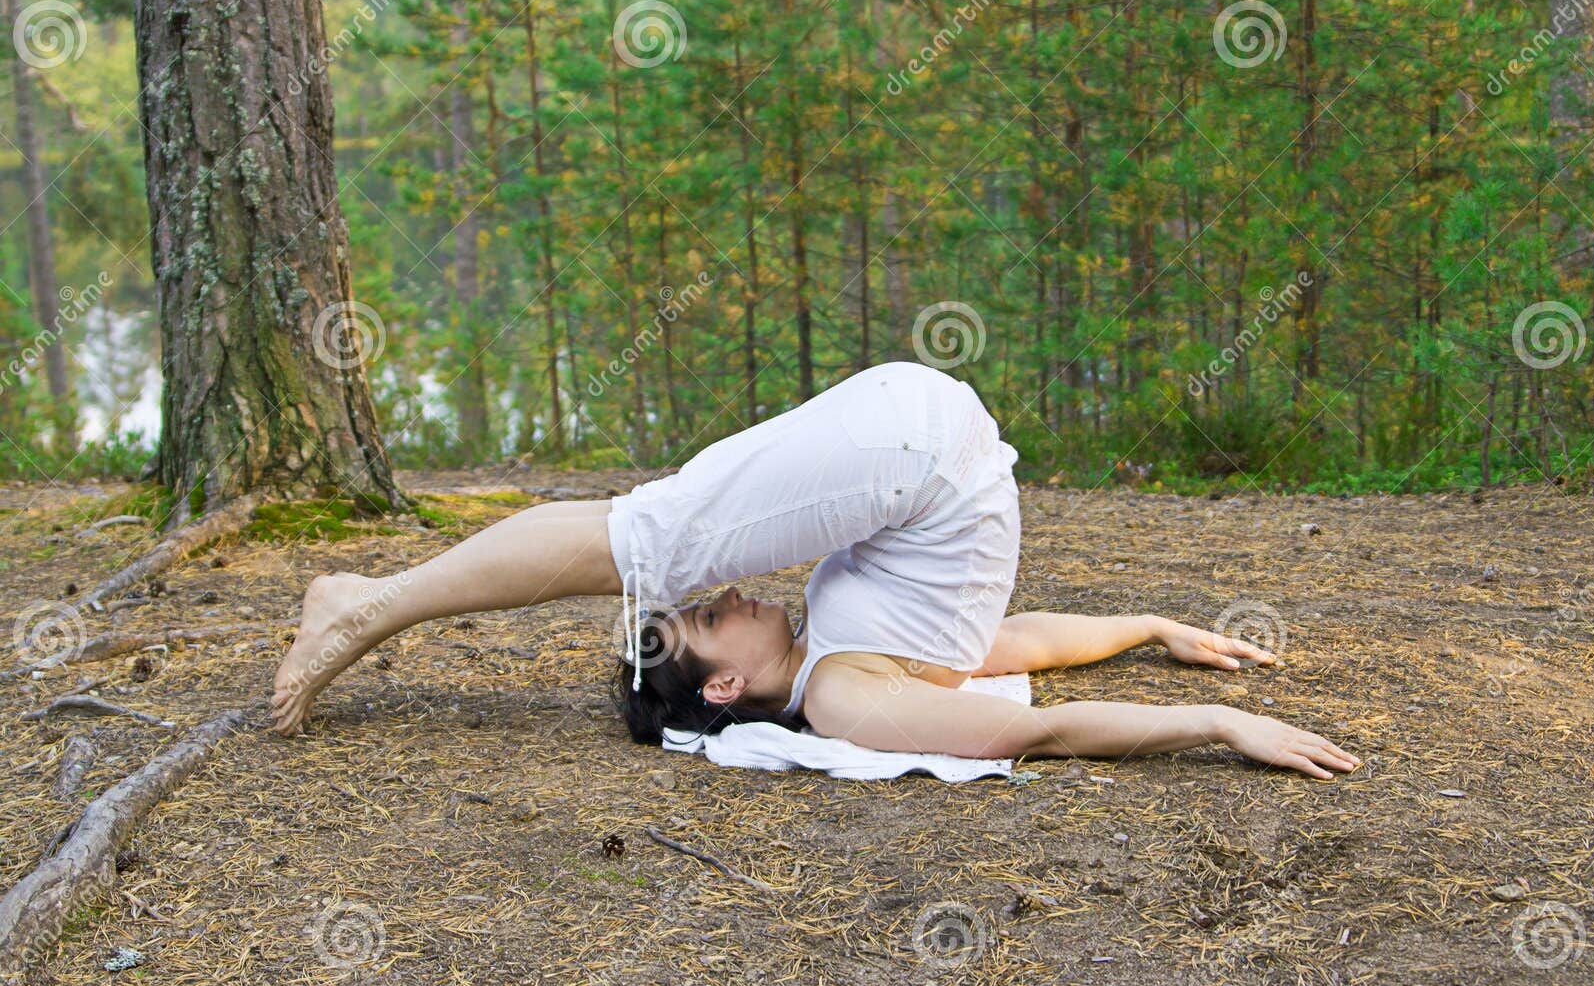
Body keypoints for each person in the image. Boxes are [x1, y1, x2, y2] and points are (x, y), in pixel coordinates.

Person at [271, 363, 1359, 780]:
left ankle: (371, 602)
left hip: (919, 445)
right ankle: (369, 607)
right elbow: (1033, 713)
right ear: (725, 688)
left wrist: (1153, 624)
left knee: (661, 532)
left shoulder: (849, 652)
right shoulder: (847, 694)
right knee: (653, 540)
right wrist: (1218, 726)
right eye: (700, 628)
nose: (716, 607)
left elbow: (1015, 643)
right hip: (920, 452)